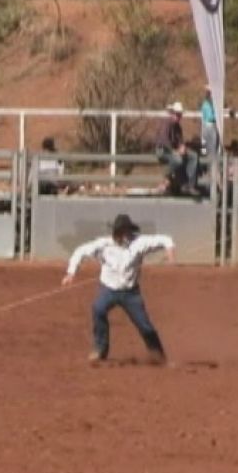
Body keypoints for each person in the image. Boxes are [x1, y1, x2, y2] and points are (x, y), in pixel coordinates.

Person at [63, 213, 176, 366]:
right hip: (108, 289)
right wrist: (71, 273)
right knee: (98, 309)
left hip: (131, 293)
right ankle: (100, 349)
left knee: (145, 326)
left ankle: (159, 356)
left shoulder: (139, 243)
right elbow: (80, 251)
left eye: (123, 232)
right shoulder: (103, 244)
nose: (120, 236)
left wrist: (170, 253)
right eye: (118, 232)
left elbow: (165, 239)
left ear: (128, 232)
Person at [155, 101, 199, 197]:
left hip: (173, 151)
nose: (179, 117)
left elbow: (180, 140)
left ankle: (189, 184)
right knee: (178, 159)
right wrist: (175, 150)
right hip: (163, 150)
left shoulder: (178, 127)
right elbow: (164, 140)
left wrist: (182, 146)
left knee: (193, 156)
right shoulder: (166, 123)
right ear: (172, 113)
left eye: (180, 115)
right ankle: (166, 179)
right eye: (177, 114)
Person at [200, 85, 220, 163]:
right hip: (209, 127)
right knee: (210, 149)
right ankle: (211, 167)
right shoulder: (207, 104)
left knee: (211, 148)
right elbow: (209, 117)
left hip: (209, 127)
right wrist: (217, 114)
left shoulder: (209, 104)